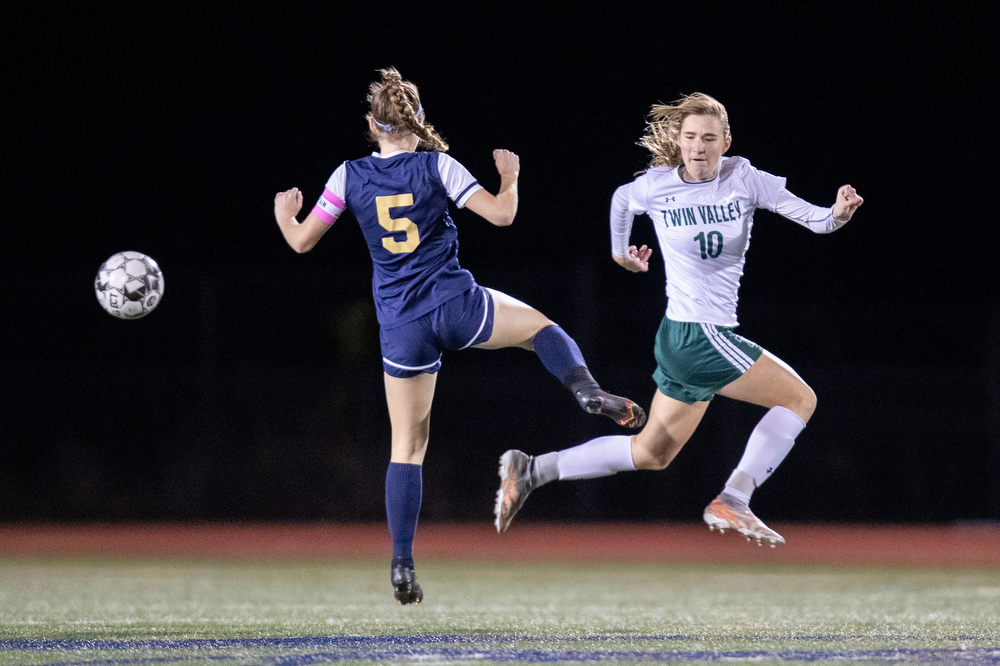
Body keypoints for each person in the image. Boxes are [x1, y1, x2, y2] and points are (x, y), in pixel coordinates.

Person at [273, 68, 645, 605]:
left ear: (371, 125)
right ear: (420, 121)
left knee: (408, 446)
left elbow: (303, 242)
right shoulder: (436, 164)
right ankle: (585, 388)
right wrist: (510, 176)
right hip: (454, 305)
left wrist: (286, 216)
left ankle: (402, 562)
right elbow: (502, 215)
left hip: (400, 326)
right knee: (541, 328)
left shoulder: (347, 175)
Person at [494, 92, 863, 546]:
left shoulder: (746, 179)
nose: (698, 147)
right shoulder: (658, 185)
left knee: (651, 452)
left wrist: (838, 215)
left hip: (688, 338)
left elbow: (816, 220)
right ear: (680, 141)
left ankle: (531, 469)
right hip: (697, 335)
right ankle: (735, 497)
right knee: (800, 400)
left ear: (726, 142)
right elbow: (622, 200)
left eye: (709, 138)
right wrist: (619, 252)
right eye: (690, 137)